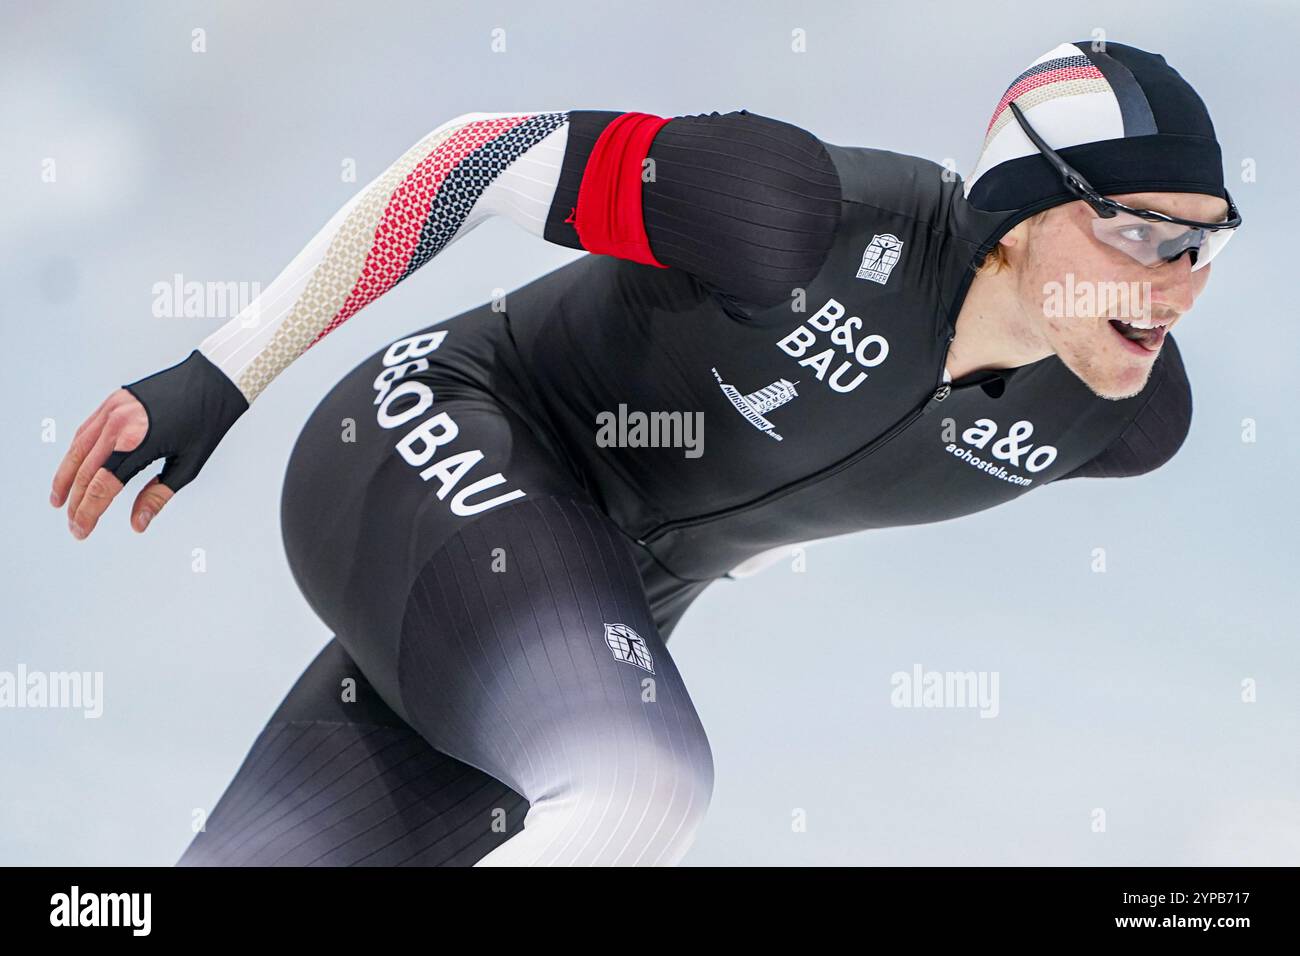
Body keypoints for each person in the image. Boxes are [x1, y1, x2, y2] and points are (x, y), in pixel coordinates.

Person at [49, 40, 1239, 865]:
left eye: (1201, 247)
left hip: (596, 582)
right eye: (1134, 230)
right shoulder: (793, 216)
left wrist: (735, 551)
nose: (1170, 285)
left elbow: (845, 454)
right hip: (448, 430)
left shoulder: (1117, 417)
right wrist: (219, 375)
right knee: (635, 786)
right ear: (1019, 207)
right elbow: (480, 154)